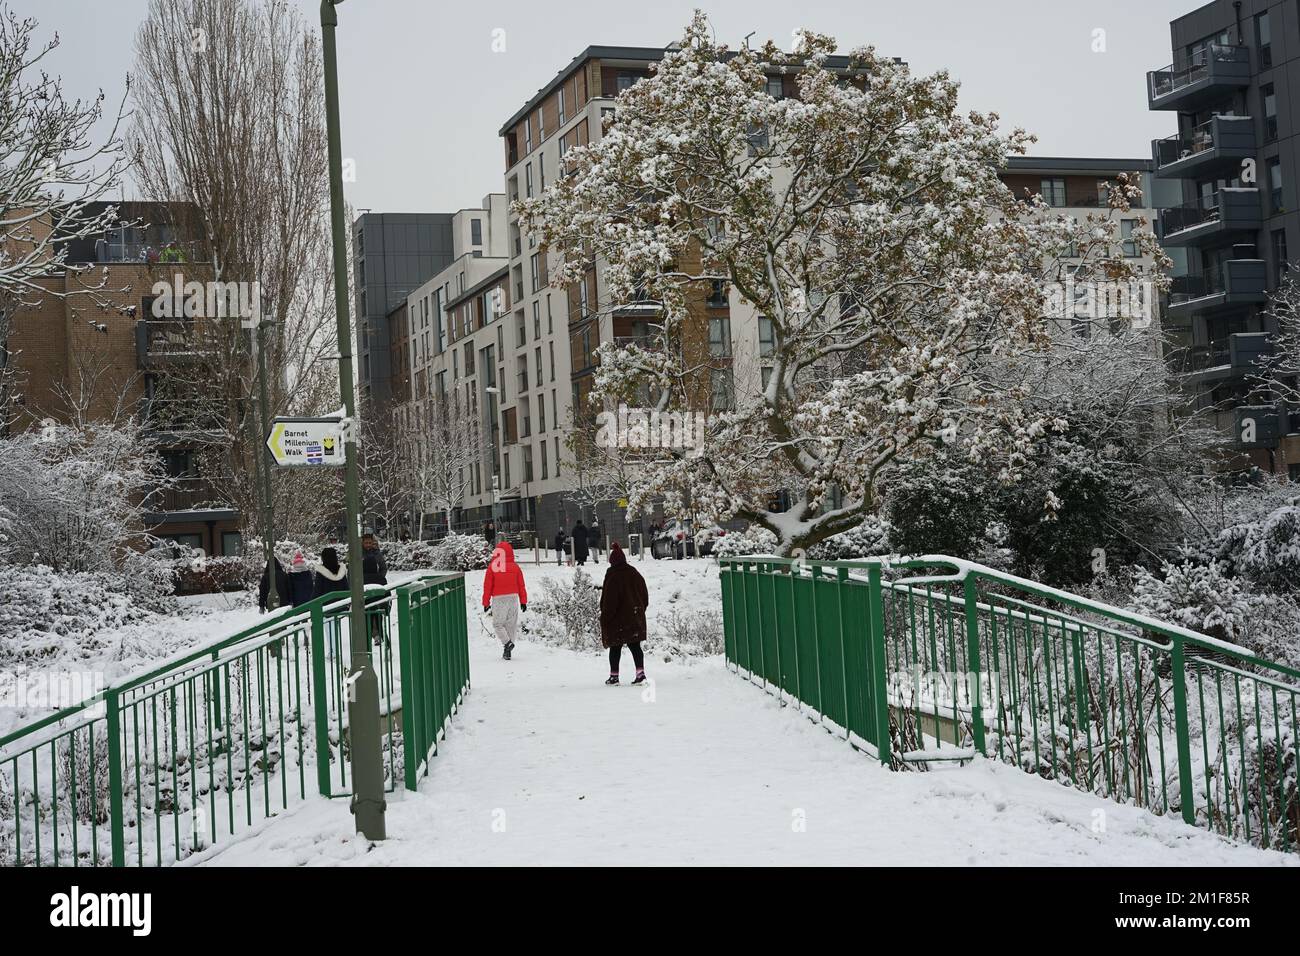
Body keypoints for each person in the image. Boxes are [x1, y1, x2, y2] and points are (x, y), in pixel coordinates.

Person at [599, 542, 648, 685]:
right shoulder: (635, 573)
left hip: (617, 620)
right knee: (635, 646)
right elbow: (644, 596)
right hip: (634, 616)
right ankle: (641, 674)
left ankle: (614, 677)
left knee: (615, 647)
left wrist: (605, 618)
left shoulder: (613, 576)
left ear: (612, 562)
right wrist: (639, 610)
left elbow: (609, 601)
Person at [482, 541, 527, 660]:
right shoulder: (515, 567)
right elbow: (521, 585)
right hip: (513, 598)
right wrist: (523, 601)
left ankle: (507, 644)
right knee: (510, 625)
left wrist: (485, 602)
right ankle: (508, 651)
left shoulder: (493, 567)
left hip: (499, 598)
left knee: (498, 624)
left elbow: (487, 586)